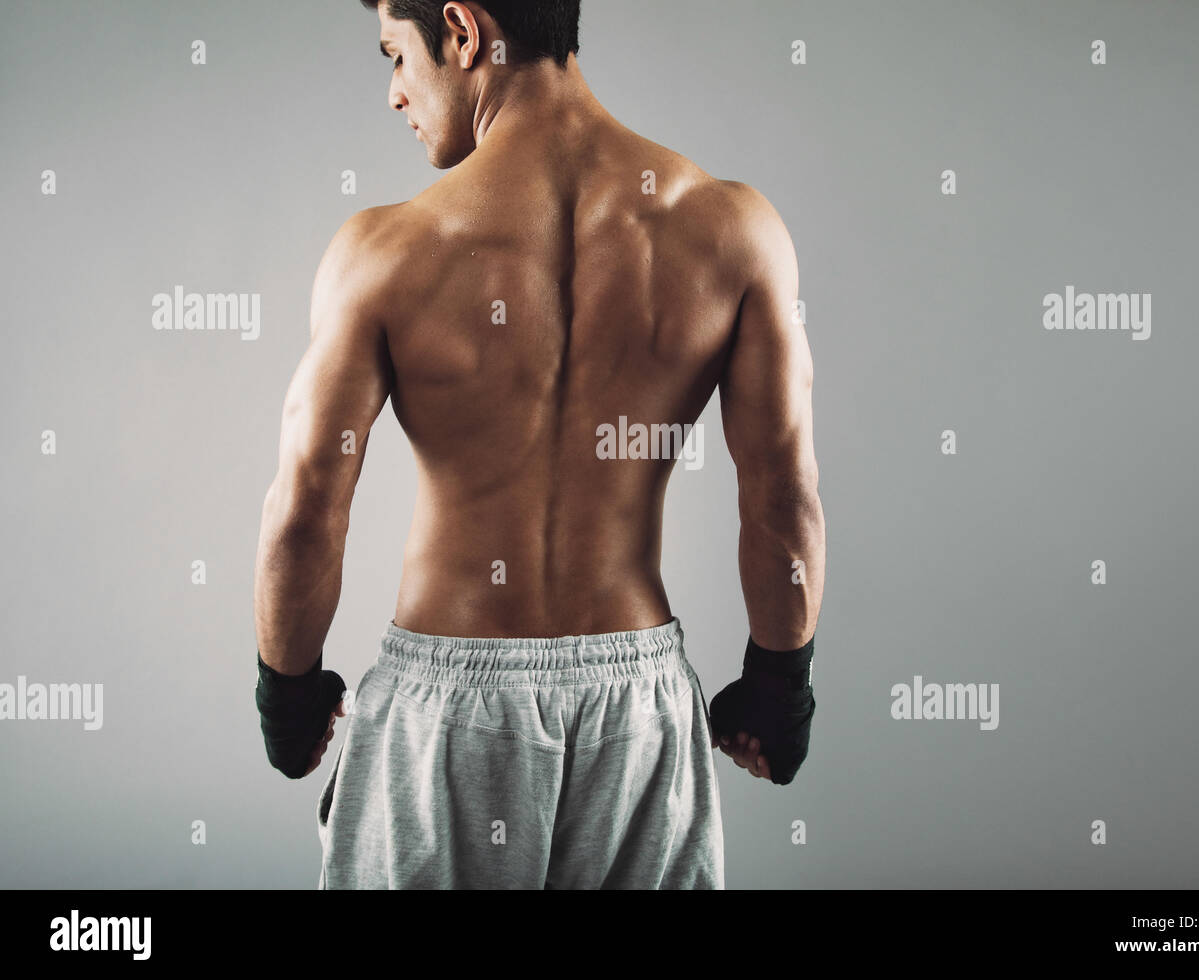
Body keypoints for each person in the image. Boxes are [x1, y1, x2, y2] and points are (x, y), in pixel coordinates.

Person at [251, 0, 825, 889]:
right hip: (636, 714)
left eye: (396, 56)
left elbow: (304, 512)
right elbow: (783, 494)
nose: (395, 93)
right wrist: (779, 680)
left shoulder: (385, 252)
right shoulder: (734, 228)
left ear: (465, 31)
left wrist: (287, 692)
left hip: (447, 717)